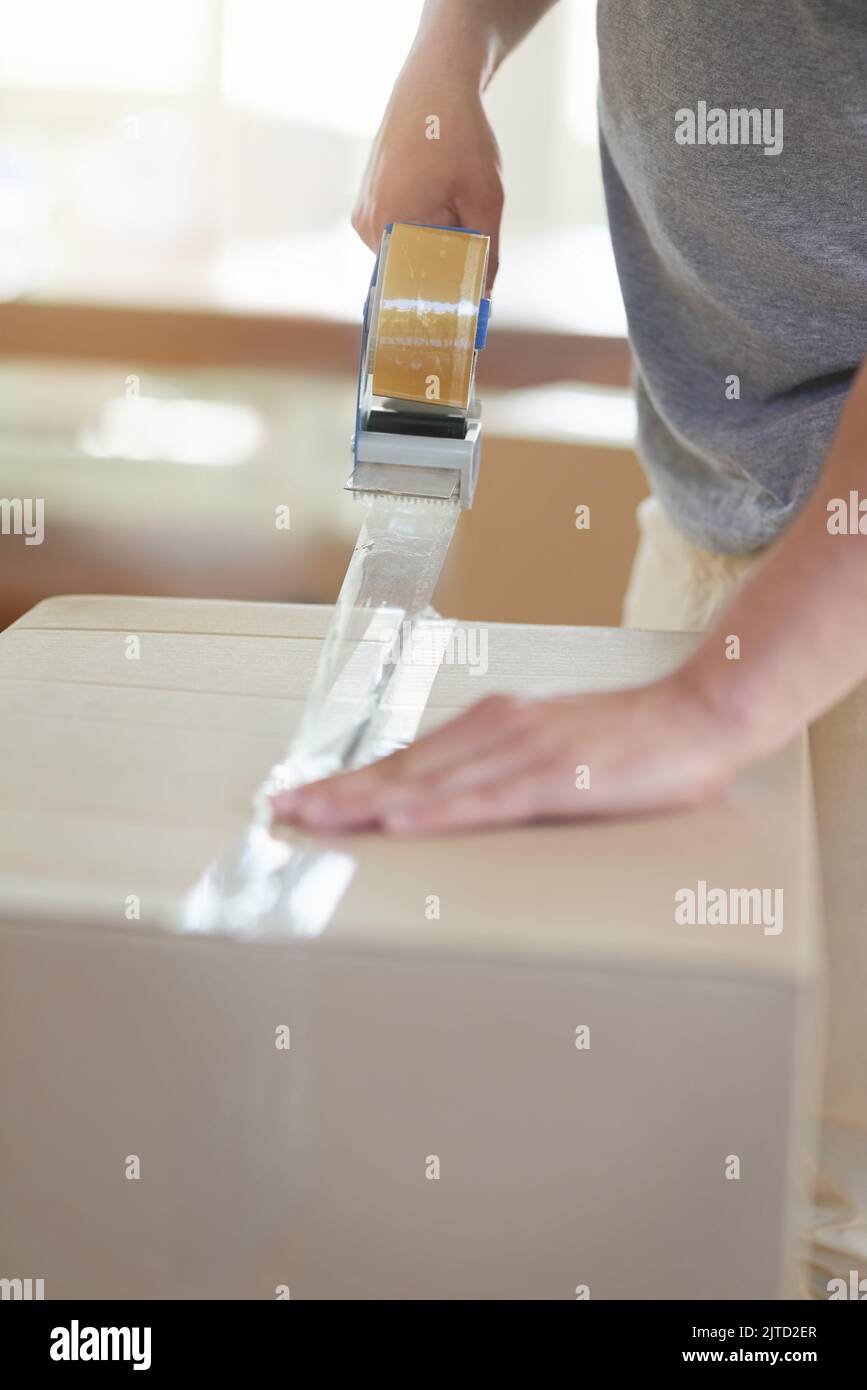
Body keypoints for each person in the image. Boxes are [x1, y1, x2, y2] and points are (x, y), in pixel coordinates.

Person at [274, 1, 867, 1298]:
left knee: (825, 1219)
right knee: (679, 1144)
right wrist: (452, 51)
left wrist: (716, 709)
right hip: (709, 511)